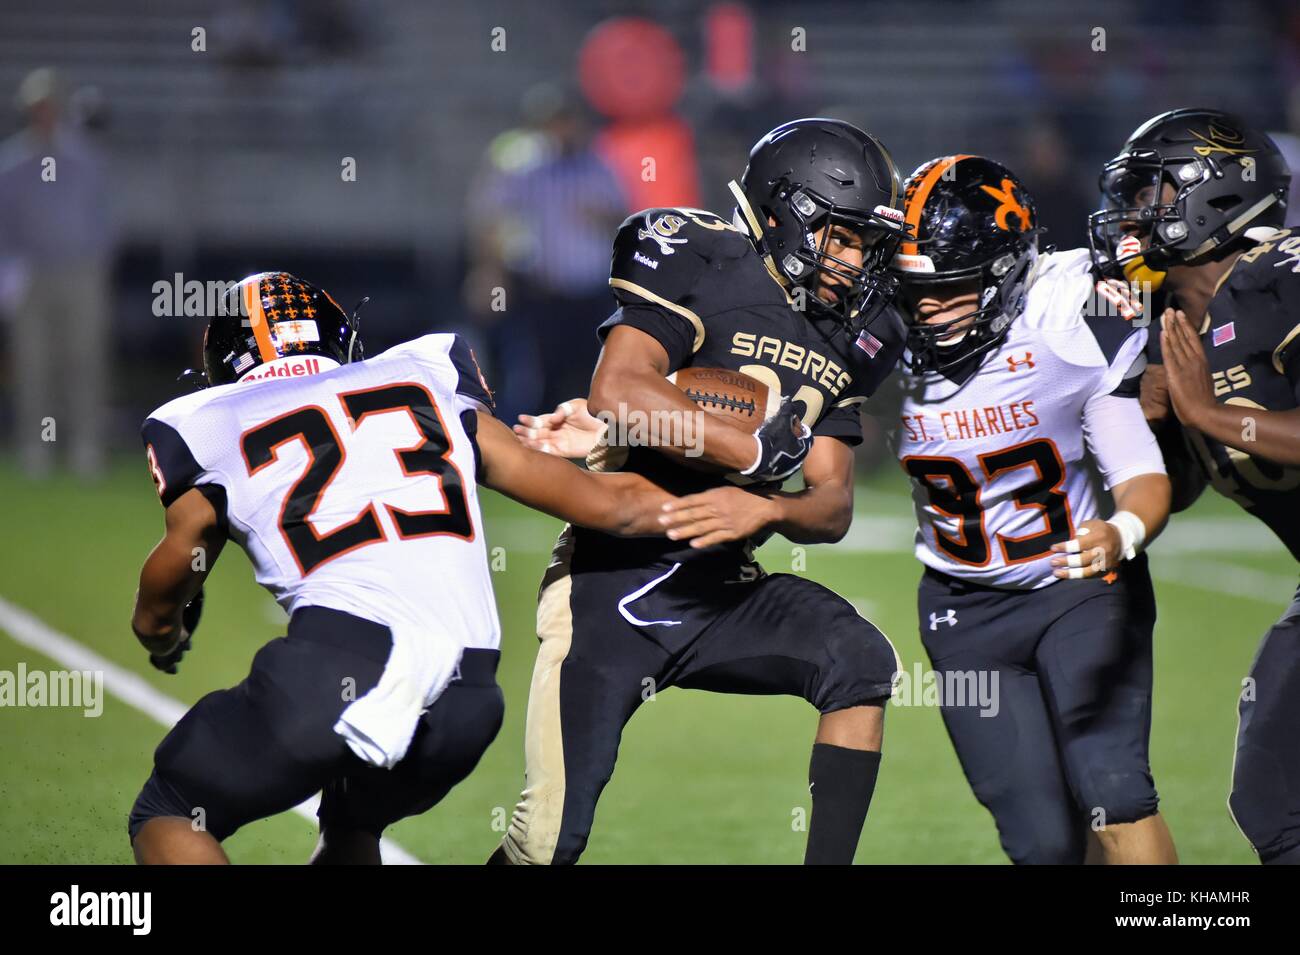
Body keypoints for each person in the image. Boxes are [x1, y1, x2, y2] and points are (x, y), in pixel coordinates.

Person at [128, 271, 676, 864]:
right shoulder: (424, 374)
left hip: (336, 665)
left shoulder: (210, 420)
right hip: (466, 701)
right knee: (352, 821)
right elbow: (609, 505)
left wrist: (162, 634)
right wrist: (750, 502)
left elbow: (165, 588)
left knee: (171, 809)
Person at [492, 118, 911, 865]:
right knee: (546, 843)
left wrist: (771, 506)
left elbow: (832, 500)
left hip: (724, 588)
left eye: (865, 245)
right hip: (610, 584)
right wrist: (751, 449)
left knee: (861, 659)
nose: (853, 262)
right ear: (786, 214)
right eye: (841, 238)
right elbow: (619, 390)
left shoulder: (848, 327)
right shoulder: (703, 257)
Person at [869, 155, 1176, 864]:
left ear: (1009, 270)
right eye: (916, 290)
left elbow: (1140, 470)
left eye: (953, 288)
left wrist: (1121, 531)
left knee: (1115, 792)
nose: (929, 309)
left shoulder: (1074, 310)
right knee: (1042, 844)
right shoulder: (877, 327)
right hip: (963, 611)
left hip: (1078, 588)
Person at [1093, 108, 1300, 864]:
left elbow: (1222, 418)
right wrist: (1154, 432)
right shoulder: (1172, 320)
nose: (1131, 216)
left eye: (1150, 196)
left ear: (1212, 197)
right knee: (1274, 797)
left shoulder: (1285, 275)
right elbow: (1180, 490)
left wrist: (1207, 412)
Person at [0, 67, 113, 478]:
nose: (44, 114)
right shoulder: (11, 164)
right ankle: (38, 447)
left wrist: (97, 263)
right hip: (31, 274)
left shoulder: (86, 160)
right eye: (37, 108)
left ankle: (86, 446)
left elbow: (101, 218)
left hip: (80, 273)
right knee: (33, 363)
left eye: (50, 106)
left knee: (83, 360)